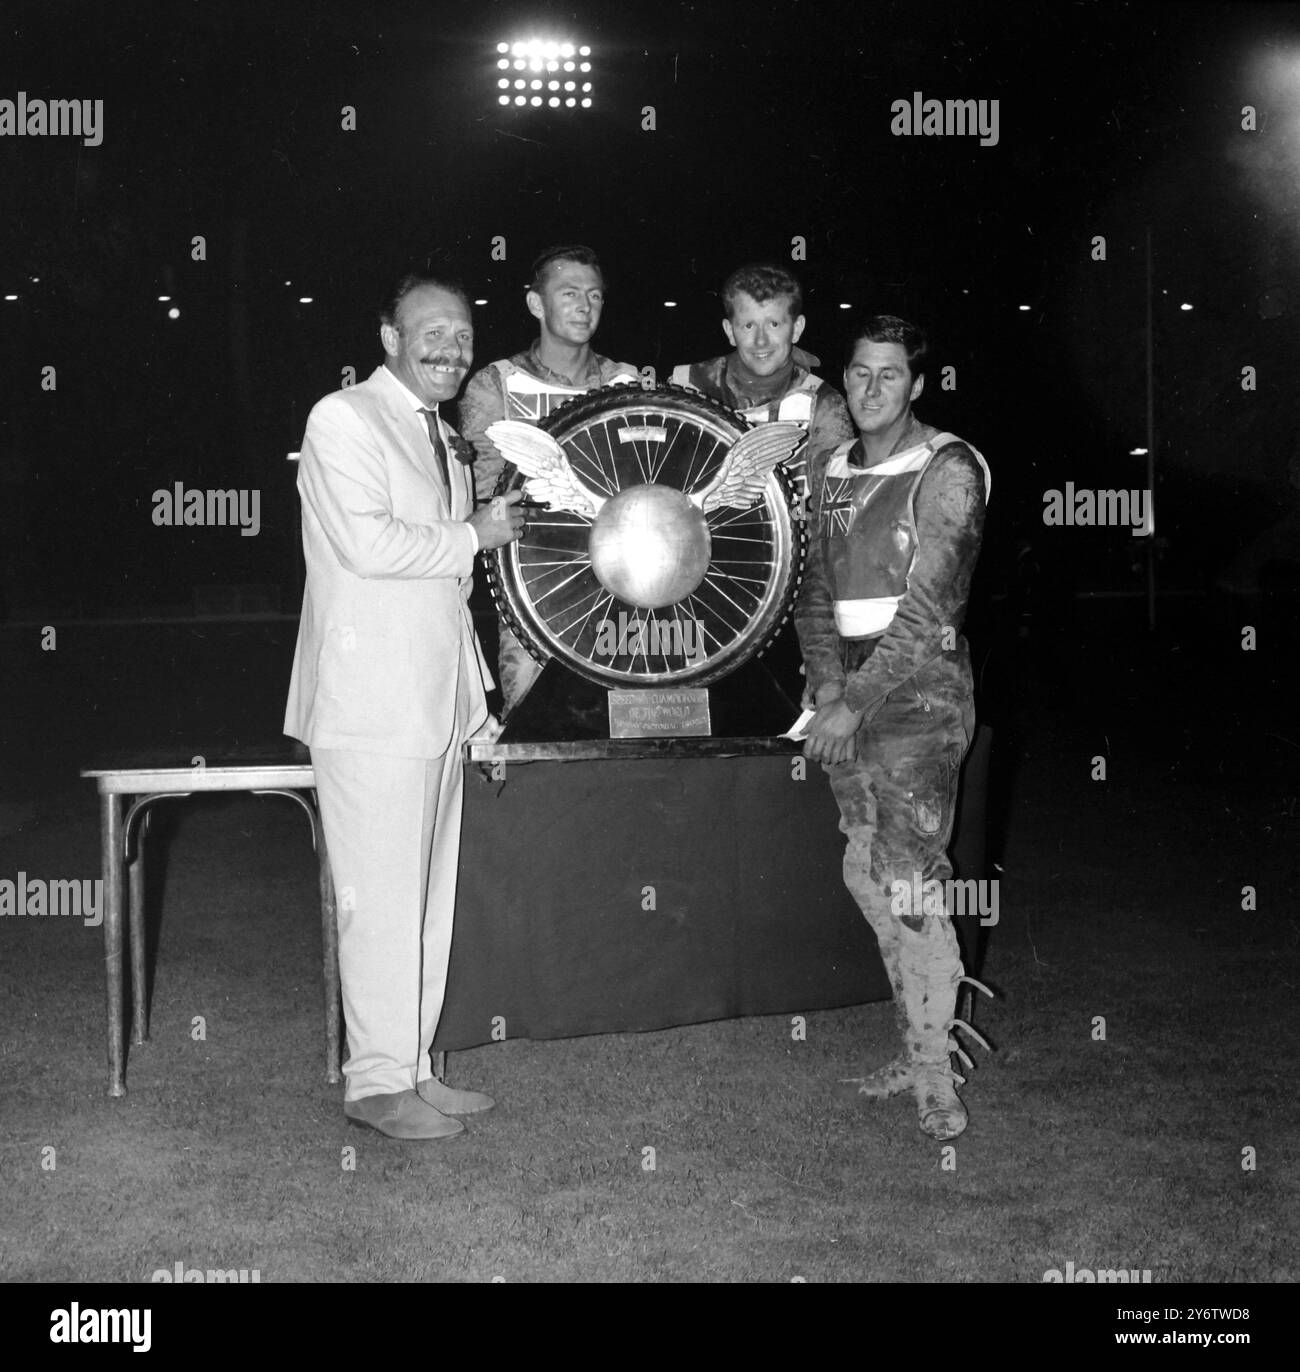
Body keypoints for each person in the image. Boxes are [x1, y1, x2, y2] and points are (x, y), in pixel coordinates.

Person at [284, 274, 524, 1141]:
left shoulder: (441, 436)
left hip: (432, 705)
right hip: (368, 708)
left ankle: (415, 1068)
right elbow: (369, 544)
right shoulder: (342, 419)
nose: (450, 349)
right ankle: (375, 1084)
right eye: (431, 331)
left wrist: (475, 700)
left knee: (426, 900)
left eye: (462, 335)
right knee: (379, 901)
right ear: (389, 335)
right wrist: (475, 534)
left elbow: (445, 595)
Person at [795, 314, 992, 1141]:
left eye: (889, 375)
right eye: (859, 373)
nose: (871, 389)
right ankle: (916, 1048)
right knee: (868, 872)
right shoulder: (831, 468)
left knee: (911, 882)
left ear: (916, 384)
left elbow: (927, 611)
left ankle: (936, 1076)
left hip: (918, 698)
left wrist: (852, 702)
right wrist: (827, 685)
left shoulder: (949, 467)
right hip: (849, 692)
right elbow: (813, 591)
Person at [458, 244, 638, 713]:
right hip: (534, 593)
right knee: (535, 732)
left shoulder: (626, 383)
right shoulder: (495, 384)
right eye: (570, 293)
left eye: (595, 296)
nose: (584, 306)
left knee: (622, 732)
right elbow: (484, 497)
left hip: (621, 592)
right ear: (537, 304)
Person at [669, 263, 854, 508]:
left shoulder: (824, 405)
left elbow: (834, 510)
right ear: (730, 331)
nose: (761, 340)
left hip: (791, 543)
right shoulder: (687, 388)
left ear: (796, 329)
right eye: (748, 325)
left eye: (774, 324)